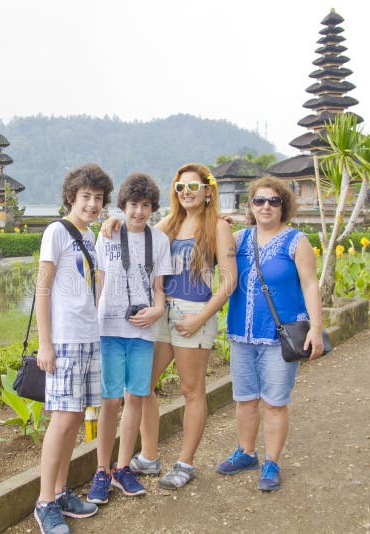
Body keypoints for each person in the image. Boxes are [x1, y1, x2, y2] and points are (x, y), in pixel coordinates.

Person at [102, 162, 237, 490]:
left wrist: (202, 318)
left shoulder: (217, 226)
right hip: (161, 313)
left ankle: (185, 462)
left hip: (195, 314)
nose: (187, 193)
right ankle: (148, 456)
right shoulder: (170, 223)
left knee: (192, 391)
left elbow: (229, 281)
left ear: (208, 190)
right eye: (181, 188)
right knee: (142, 386)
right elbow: (137, 227)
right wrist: (113, 219)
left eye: (194, 187)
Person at [215, 176, 325, 492]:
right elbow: (205, 247)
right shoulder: (238, 239)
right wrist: (219, 225)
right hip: (241, 334)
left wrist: (316, 328)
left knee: (274, 403)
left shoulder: (296, 242)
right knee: (245, 399)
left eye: (273, 201)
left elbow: (309, 284)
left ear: (283, 206)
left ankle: (272, 461)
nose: (266, 206)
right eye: (259, 201)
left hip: (280, 337)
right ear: (250, 206)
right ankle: (246, 452)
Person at [33, 164, 114, 534]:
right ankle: (45, 502)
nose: (92, 204)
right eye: (86, 197)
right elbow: (43, 289)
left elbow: (93, 285)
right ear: (71, 196)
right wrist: (44, 343)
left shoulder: (91, 234)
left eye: (98, 199)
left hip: (88, 337)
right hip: (63, 339)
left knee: (77, 417)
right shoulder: (56, 232)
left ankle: (62, 491)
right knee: (62, 420)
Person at [87, 173, 173, 504]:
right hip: (109, 330)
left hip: (143, 331)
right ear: (123, 206)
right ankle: (101, 470)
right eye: (133, 205)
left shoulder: (159, 240)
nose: (138, 212)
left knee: (136, 397)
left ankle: (123, 467)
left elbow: (159, 290)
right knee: (110, 401)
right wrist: (90, 325)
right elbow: (99, 281)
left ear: (153, 207)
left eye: (146, 205)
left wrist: (157, 310)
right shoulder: (108, 234)